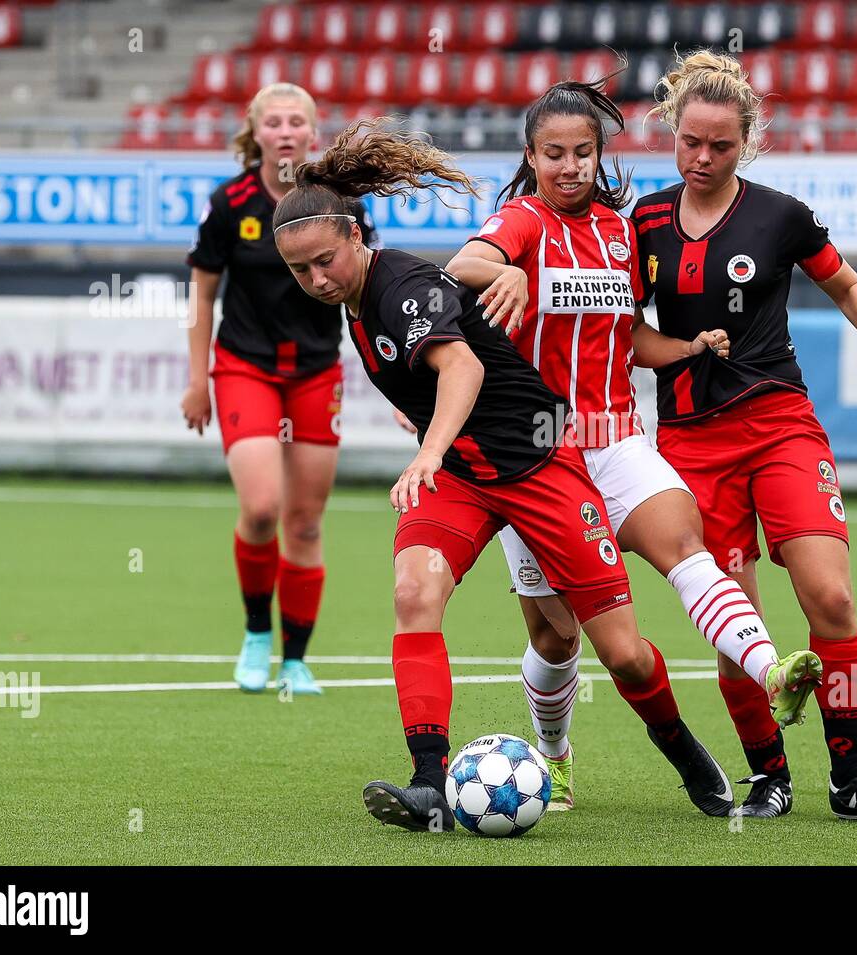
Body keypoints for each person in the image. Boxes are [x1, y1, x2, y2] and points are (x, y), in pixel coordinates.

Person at [271, 118, 746, 830]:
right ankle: (428, 784)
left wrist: (428, 450)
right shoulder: (358, 301)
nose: (315, 279)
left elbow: (459, 365)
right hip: (467, 475)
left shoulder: (401, 286)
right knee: (414, 590)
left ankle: (678, 743)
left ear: (356, 238)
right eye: (299, 270)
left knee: (624, 654)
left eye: (324, 261)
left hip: (539, 461)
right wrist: (439, 448)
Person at [445, 77, 821, 817]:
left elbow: (628, 336)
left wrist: (685, 347)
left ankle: (771, 669)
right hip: (539, 453)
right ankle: (553, 757)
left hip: (615, 437)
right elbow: (463, 267)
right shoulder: (520, 221)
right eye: (554, 154)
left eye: (583, 152)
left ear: (600, 155)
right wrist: (510, 273)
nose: (570, 167)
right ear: (531, 156)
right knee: (557, 638)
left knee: (687, 547)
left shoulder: (622, 233)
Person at [631, 50, 857, 823]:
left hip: (780, 426)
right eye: (689, 142)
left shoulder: (780, 216)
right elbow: (625, 336)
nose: (701, 158)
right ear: (671, 131)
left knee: (829, 595)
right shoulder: (644, 224)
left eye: (720, 146)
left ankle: (853, 773)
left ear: (747, 142)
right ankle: (769, 775)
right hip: (692, 443)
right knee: (737, 627)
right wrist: (684, 351)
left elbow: (847, 283)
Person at [181, 83, 381, 695]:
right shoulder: (231, 201)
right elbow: (203, 292)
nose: (287, 131)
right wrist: (197, 379)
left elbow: (364, 290)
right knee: (263, 507)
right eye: (275, 122)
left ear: (313, 134)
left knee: (306, 522)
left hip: (315, 372)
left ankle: (295, 659)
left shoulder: (336, 201)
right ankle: (255, 635)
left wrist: (402, 383)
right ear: (257, 133)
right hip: (245, 367)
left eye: (298, 121)